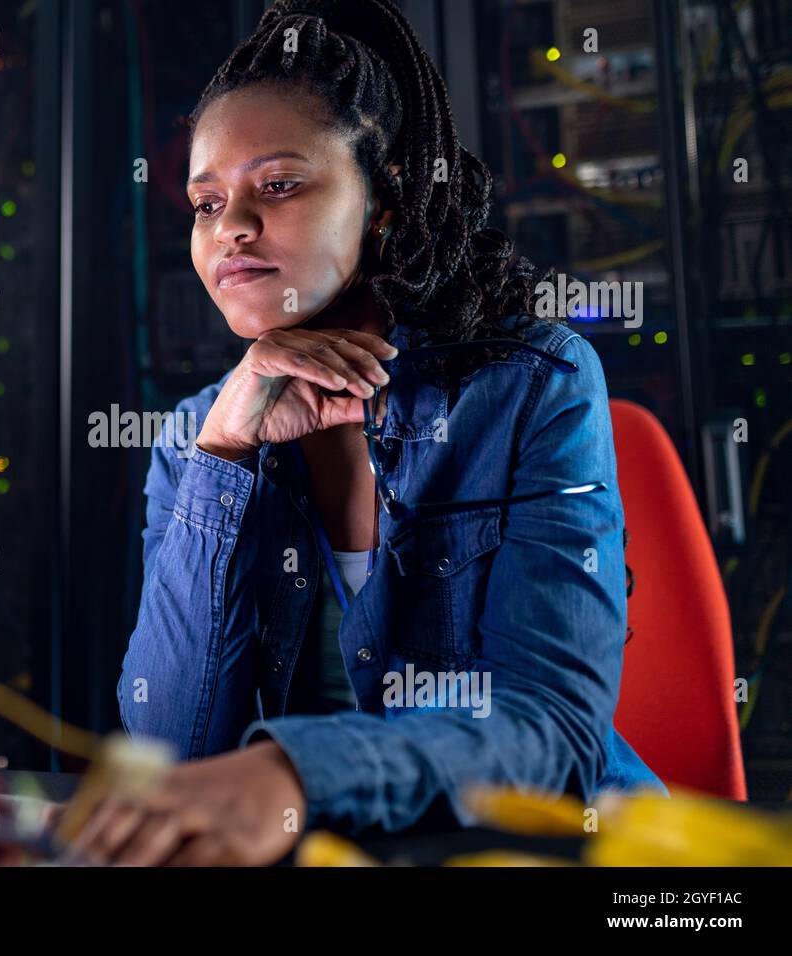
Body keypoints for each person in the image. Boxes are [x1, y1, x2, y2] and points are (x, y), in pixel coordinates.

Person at [71, 0, 666, 867]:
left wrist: (297, 773)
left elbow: (553, 732)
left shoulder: (536, 384)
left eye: (277, 185)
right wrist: (225, 460)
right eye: (206, 203)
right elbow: (171, 745)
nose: (230, 225)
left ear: (384, 198)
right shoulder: (199, 435)